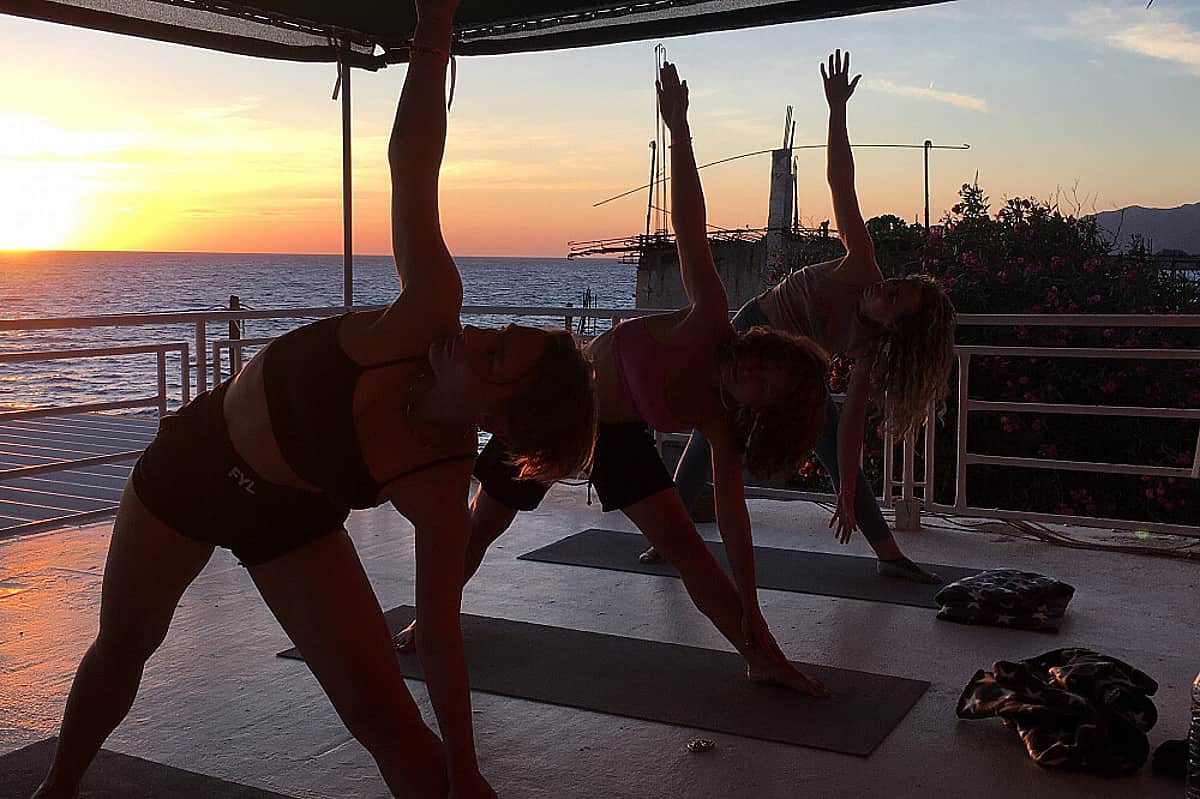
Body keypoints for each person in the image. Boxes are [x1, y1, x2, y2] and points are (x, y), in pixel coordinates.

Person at [31, 3, 594, 798]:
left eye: (494, 356)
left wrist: (467, 768)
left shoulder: (439, 489)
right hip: (194, 463)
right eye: (494, 331)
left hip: (286, 516)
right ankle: (55, 789)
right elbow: (412, 163)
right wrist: (433, 34)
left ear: (504, 418)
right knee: (126, 645)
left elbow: (439, 640)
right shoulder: (430, 304)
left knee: (397, 728)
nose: (471, 337)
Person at [399, 61, 831, 699]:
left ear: (758, 414)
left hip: (615, 435)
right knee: (480, 526)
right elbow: (689, 226)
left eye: (761, 386)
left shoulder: (715, 420)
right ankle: (431, 619)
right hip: (554, 405)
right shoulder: (710, 319)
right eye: (760, 361)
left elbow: (734, 527)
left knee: (686, 547)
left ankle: (758, 655)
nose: (749, 371)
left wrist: (756, 617)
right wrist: (680, 132)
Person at [644, 49, 958, 583]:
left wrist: (843, 485)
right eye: (899, 284)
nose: (888, 288)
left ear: (895, 326)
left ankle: (888, 555)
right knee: (712, 430)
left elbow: (853, 421)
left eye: (896, 299)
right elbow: (842, 185)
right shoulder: (861, 263)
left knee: (835, 446)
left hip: (796, 369)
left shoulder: (869, 347)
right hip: (751, 333)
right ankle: (667, 539)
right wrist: (837, 110)